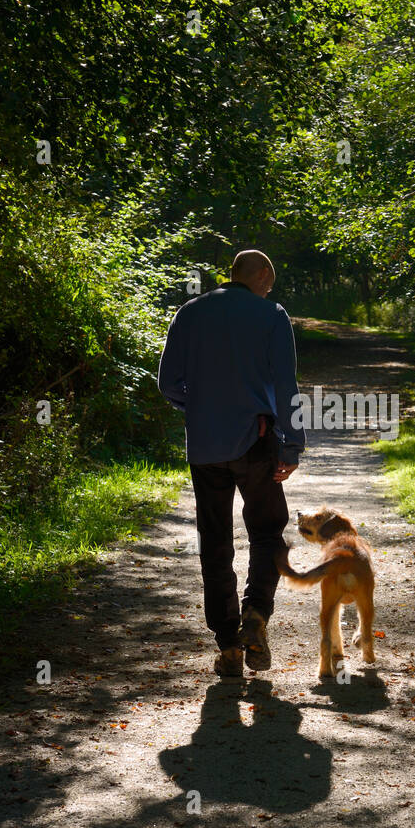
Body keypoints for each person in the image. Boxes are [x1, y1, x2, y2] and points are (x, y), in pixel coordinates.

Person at [157, 249, 305, 678]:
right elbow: (285, 384)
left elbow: (168, 383)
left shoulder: (189, 312)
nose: (268, 290)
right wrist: (291, 444)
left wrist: (201, 408)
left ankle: (227, 646)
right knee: (267, 531)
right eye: (268, 282)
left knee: (215, 540)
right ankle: (255, 614)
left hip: (205, 447)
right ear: (260, 274)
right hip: (255, 442)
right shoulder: (271, 314)